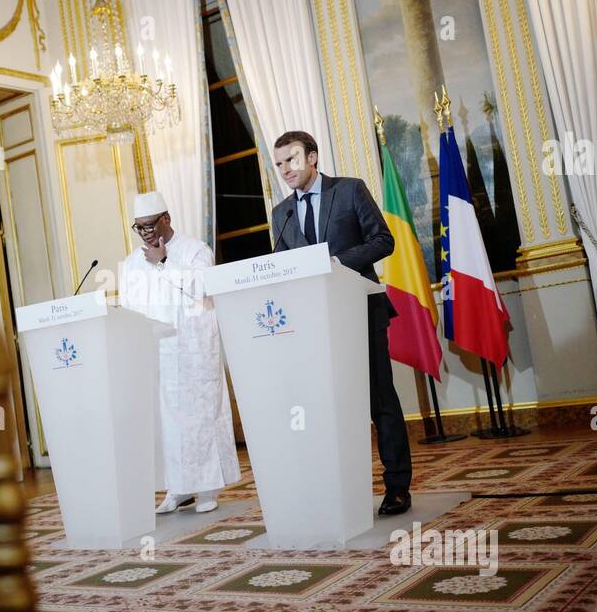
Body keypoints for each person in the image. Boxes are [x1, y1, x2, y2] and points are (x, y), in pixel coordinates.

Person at [270, 130, 414, 516]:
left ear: (313, 157)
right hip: (314, 324)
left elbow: (384, 240)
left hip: (361, 311)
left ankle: (397, 487)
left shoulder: (349, 190)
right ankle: (334, 488)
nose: (285, 169)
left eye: (292, 159)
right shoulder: (280, 213)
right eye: (279, 162)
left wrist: (337, 264)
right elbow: (284, 267)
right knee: (325, 406)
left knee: (380, 400)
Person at [119, 191, 240, 514]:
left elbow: (203, 288)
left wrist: (165, 262)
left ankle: (206, 489)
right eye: (139, 227)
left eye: (149, 224)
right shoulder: (131, 263)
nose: (145, 232)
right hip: (157, 352)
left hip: (194, 349)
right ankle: (177, 488)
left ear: (166, 219)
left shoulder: (194, 250)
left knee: (199, 418)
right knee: (167, 425)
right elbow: (129, 309)